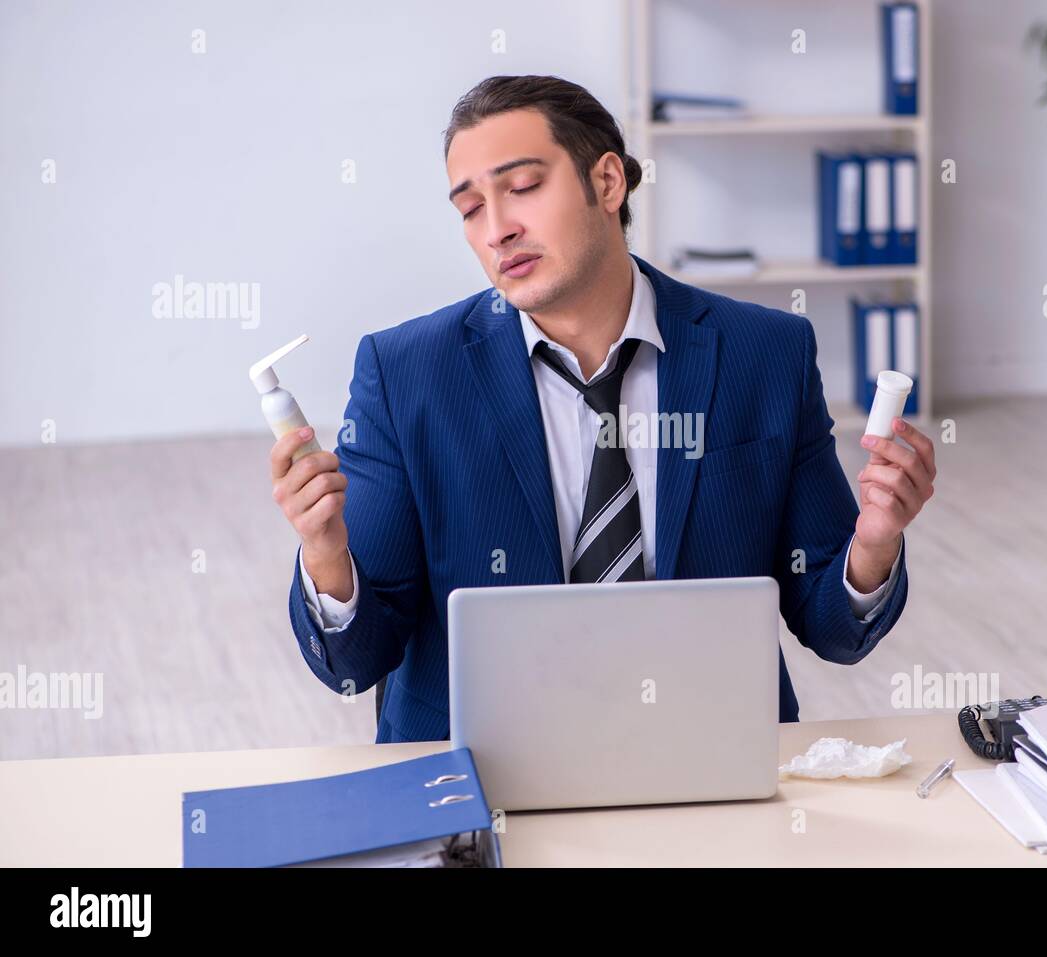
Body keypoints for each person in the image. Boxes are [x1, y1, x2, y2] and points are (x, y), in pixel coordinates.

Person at [269, 74, 937, 742]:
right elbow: (356, 664)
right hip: (484, 768)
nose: (498, 229)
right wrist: (326, 553)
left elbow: (833, 628)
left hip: (711, 750)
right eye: (471, 209)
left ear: (609, 182)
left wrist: (873, 544)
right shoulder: (406, 374)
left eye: (523, 187)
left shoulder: (766, 353)